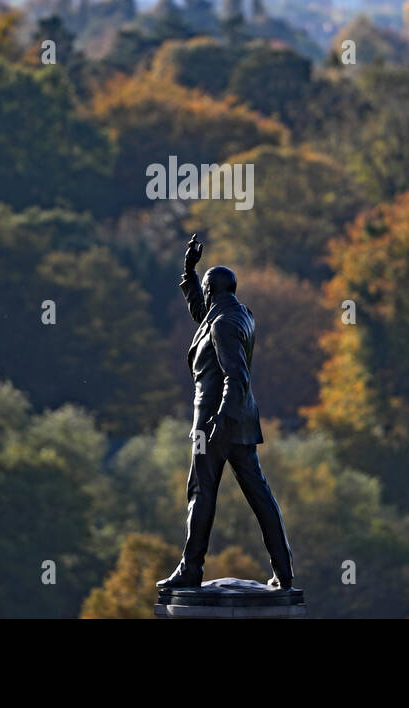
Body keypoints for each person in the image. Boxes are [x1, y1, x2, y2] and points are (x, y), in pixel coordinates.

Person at [156, 233, 295, 590]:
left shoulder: (223, 325)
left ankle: (191, 569)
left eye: (203, 288)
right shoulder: (238, 315)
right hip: (240, 422)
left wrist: (220, 419)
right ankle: (284, 570)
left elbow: (236, 375)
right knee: (259, 494)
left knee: (201, 491)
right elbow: (202, 317)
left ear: (212, 290)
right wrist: (189, 271)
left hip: (215, 422)